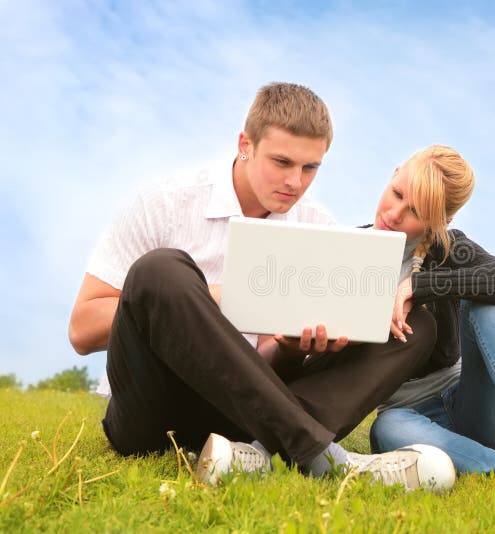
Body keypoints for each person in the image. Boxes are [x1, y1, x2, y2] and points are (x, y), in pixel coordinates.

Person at [67, 82, 455, 491]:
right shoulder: (165, 203)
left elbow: (267, 361)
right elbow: (81, 331)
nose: (295, 181)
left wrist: (290, 348)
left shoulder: (317, 228)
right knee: (160, 271)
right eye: (282, 161)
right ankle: (321, 456)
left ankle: (255, 456)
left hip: (243, 416)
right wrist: (216, 297)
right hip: (152, 411)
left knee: (414, 326)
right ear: (245, 144)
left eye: (310, 168)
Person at [365, 144, 495, 500]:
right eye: (397, 193)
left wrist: (420, 285)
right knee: (386, 429)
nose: (395, 212)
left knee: (491, 306)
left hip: (472, 403)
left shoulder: (449, 249)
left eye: (416, 210)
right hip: (408, 419)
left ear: (443, 222)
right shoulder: (346, 252)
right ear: (393, 175)